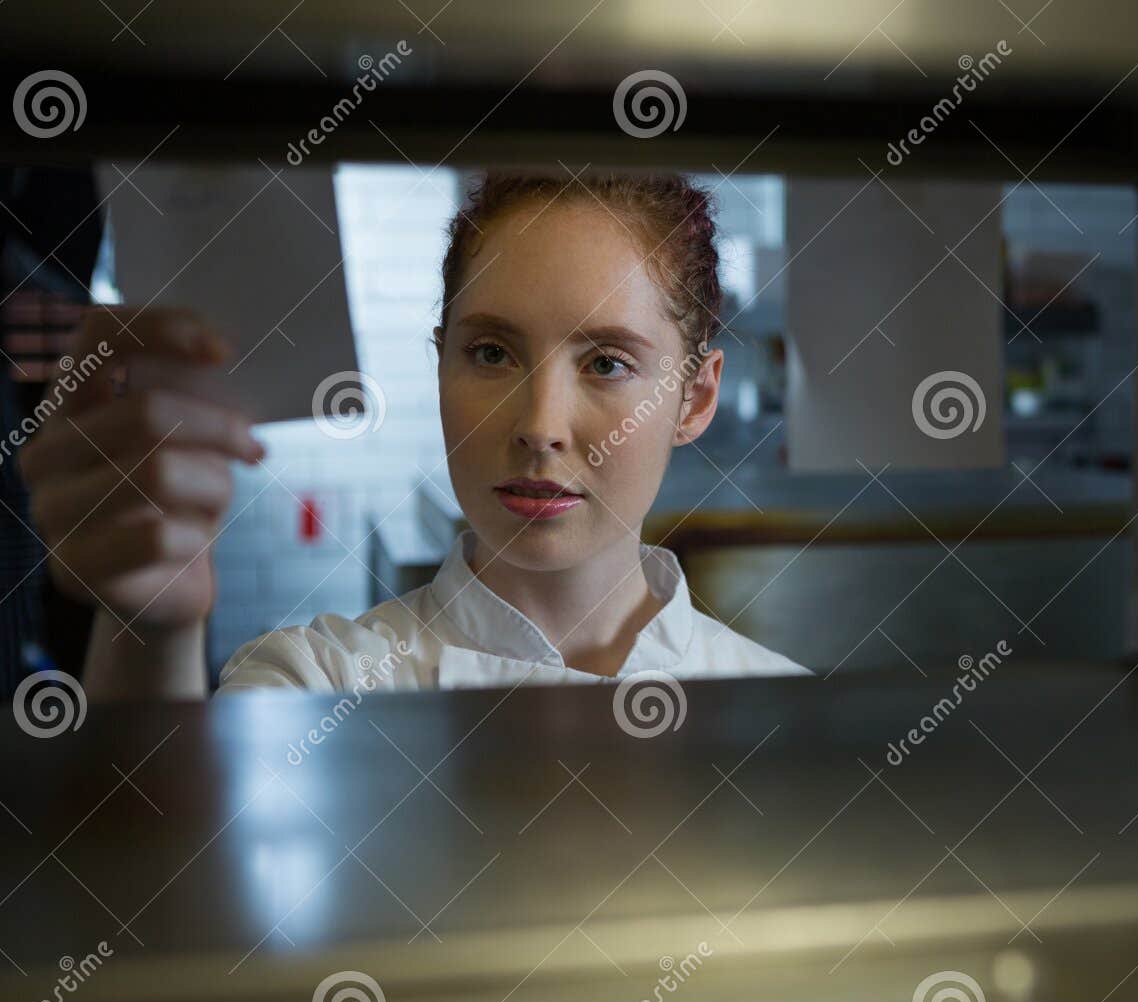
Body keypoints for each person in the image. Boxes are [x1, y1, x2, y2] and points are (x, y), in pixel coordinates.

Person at [18, 171, 809, 699]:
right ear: (441, 366)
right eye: (491, 353)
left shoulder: (789, 713)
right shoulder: (313, 684)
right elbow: (161, 890)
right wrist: (149, 629)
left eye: (606, 362)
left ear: (694, 397)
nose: (539, 427)